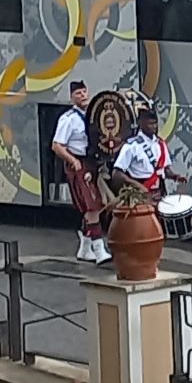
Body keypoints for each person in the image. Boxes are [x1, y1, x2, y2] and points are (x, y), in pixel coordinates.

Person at [50, 81, 108, 264]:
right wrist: (73, 161)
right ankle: (99, 250)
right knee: (92, 206)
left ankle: (84, 249)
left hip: (92, 162)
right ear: (71, 97)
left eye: (84, 92)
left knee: (96, 205)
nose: (82, 96)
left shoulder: (92, 115)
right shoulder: (68, 119)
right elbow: (56, 146)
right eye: (78, 93)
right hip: (79, 163)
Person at [110, 108, 184, 201]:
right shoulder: (131, 146)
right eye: (150, 123)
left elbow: (163, 169)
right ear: (141, 124)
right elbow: (117, 174)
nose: (154, 126)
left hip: (160, 192)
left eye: (155, 123)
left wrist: (175, 176)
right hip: (139, 195)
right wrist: (137, 186)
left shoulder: (160, 144)